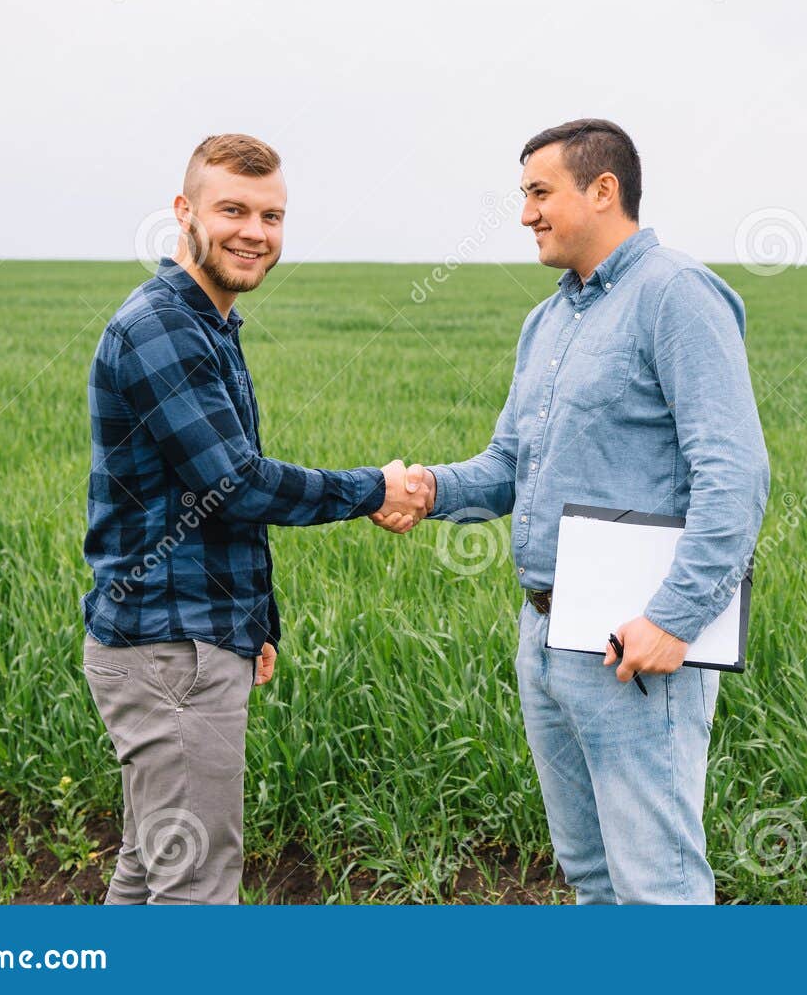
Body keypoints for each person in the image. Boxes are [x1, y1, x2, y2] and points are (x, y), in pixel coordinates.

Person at [377, 119, 769, 903]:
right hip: (548, 635)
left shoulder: (675, 295)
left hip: (636, 646)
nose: (525, 214)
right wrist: (428, 489)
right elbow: (509, 467)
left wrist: (676, 619)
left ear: (603, 190)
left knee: (656, 887)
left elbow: (735, 472)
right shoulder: (549, 319)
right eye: (523, 195)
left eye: (539, 193)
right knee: (590, 879)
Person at [80, 133, 428, 904]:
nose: (255, 232)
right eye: (233, 209)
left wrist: (253, 626)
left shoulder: (209, 324)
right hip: (172, 650)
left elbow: (207, 501)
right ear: (184, 211)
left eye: (271, 216)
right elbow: (235, 486)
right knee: (196, 890)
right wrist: (374, 488)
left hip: (192, 638)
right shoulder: (162, 327)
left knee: (148, 873)